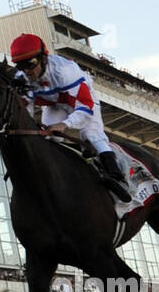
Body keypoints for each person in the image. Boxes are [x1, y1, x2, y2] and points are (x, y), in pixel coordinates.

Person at [10, 32, 130, 202]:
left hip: (82, 103)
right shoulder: (22, 78)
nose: (26, 71)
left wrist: (65, 124)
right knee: (51, 140)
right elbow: (25, 112)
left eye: (30, 64)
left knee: (92, 135)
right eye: (20, 66)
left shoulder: (65, 71)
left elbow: (86, 107)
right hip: (56, 104)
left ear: (44, 58)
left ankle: (117, 178)